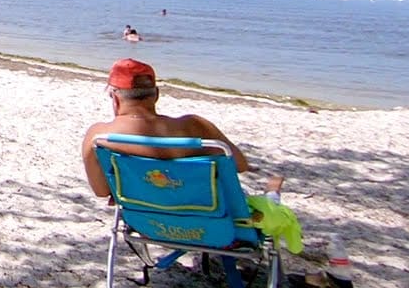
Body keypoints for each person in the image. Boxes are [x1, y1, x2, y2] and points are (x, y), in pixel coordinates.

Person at [80, 58, 304, 257]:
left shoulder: (99, 137)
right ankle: (272, 191)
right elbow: (240, 165)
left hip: (150, 225)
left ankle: (272, 191)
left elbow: (101, 191)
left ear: (114, 97)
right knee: (263, 201)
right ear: (156, 95)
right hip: (218, 229)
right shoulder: (195, 127)